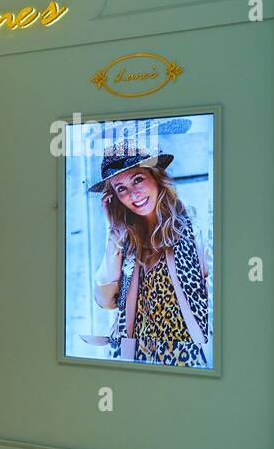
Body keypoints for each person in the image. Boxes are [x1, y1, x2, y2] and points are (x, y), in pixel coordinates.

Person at [90, 140, 210, 367]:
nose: (133, 194)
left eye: (138, 179)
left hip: (185, 359)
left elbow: (213, 295)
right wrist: (113, 232)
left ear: (155, 177)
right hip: (133, 358)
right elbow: (105, 300)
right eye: (121, 188)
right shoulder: (125, 239)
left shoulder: (195, 227)